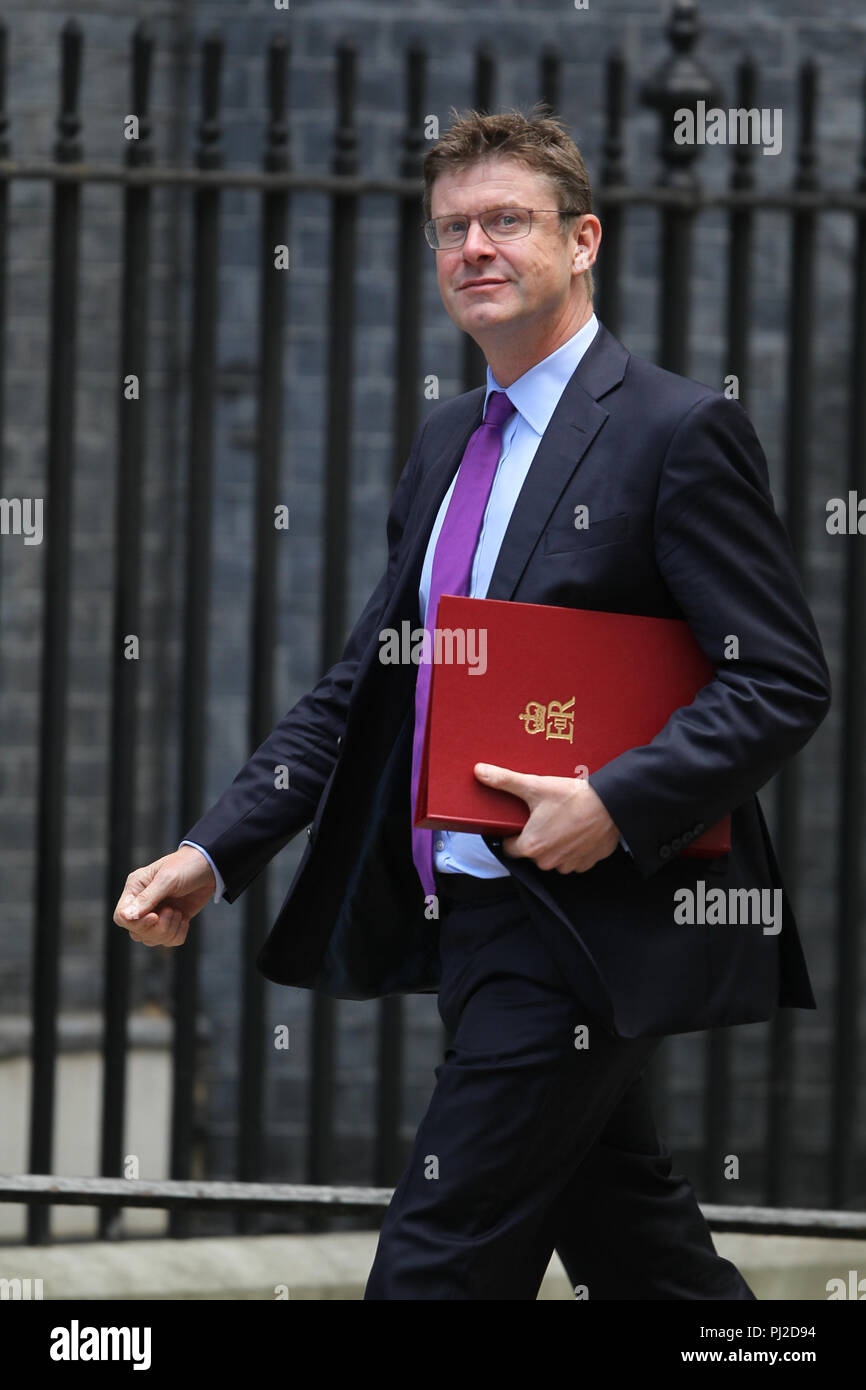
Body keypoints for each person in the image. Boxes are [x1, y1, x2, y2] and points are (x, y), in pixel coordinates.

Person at [114, 110, 831, 1300]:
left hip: (586, 926)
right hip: (477, 918)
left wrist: (613, 799)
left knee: (435, 1269)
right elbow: (369, 684)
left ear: (582, 239)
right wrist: (215, 847)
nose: (474, 249)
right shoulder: (451, 435)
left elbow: (778, 677)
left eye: (507, 221)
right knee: (638, 1248)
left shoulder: (672, 431)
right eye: (452, 228)